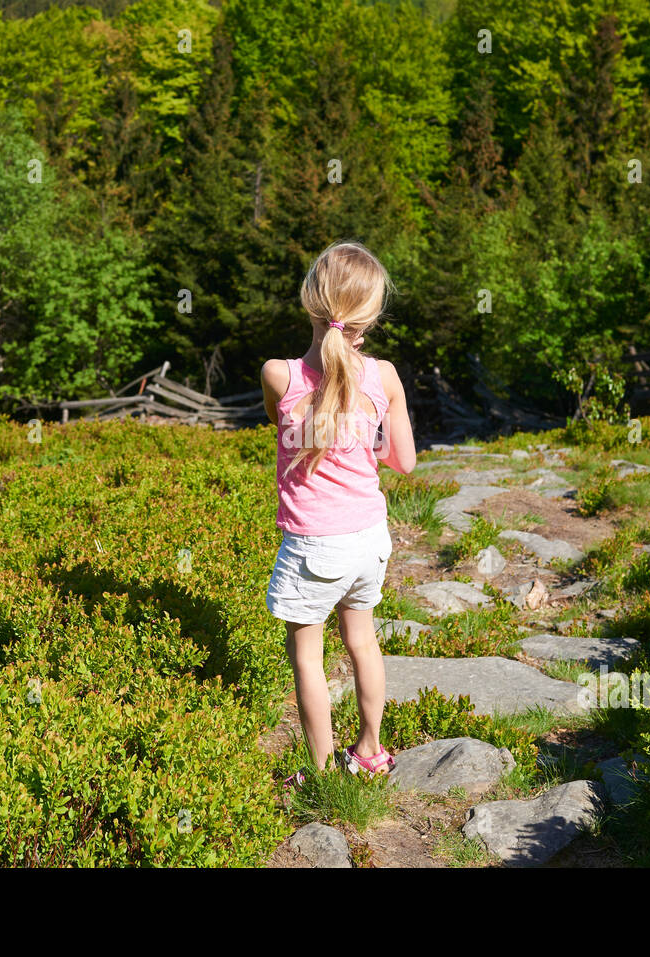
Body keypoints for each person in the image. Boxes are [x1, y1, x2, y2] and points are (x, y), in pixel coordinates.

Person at [260, 240, 417, 782]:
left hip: (313, 545)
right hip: (369, 537)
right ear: (369, 318)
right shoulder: (385, 376)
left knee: (308, 655)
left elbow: (289, 432)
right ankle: (371, 751)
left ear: (310, 301)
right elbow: (405, 461)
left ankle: (324, 774)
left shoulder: (279, 375)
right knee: (363, 641)